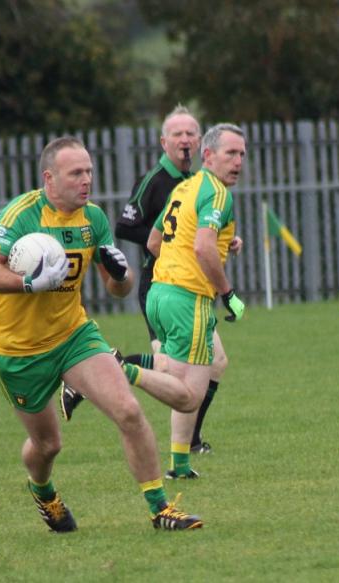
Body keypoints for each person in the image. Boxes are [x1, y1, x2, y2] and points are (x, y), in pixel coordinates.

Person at [0, 136, 202, 532]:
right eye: (76, 173)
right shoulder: (21, 215)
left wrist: (120, 274)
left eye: (89, 171)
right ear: (50, 178)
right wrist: (29, 283)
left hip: (73, 335)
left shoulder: (92, 219)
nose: (86, 180)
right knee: (48, 446)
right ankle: (43, 491)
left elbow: (120, 290)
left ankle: (161, 508)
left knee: (128, 411)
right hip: (19, 349)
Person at [62, 105, 240, 457]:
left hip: (177, 286)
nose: (185, 139)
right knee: (174, 372)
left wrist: (223, 242)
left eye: (191, 132)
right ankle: (102, 369)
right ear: (164, 142)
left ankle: (188, 443)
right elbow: (126, 227)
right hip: (164, 285)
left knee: (212, 363)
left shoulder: (195, 184)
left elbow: (197, 234)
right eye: (178, 134)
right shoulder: (156, 180)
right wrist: (181, 251)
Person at [144, 122, 247, 479]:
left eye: (242, 154)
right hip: (189, 299)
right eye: (230, 153)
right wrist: (228, 294)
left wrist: (221, 245)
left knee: (185, 377)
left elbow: (155, 242)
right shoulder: (218, 193)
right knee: (190, 394)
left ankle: (180, 466)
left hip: (159, 294)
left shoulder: (185, 187)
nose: (238, 161)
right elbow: (202, 246)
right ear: (208, 155)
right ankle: (121, 365)